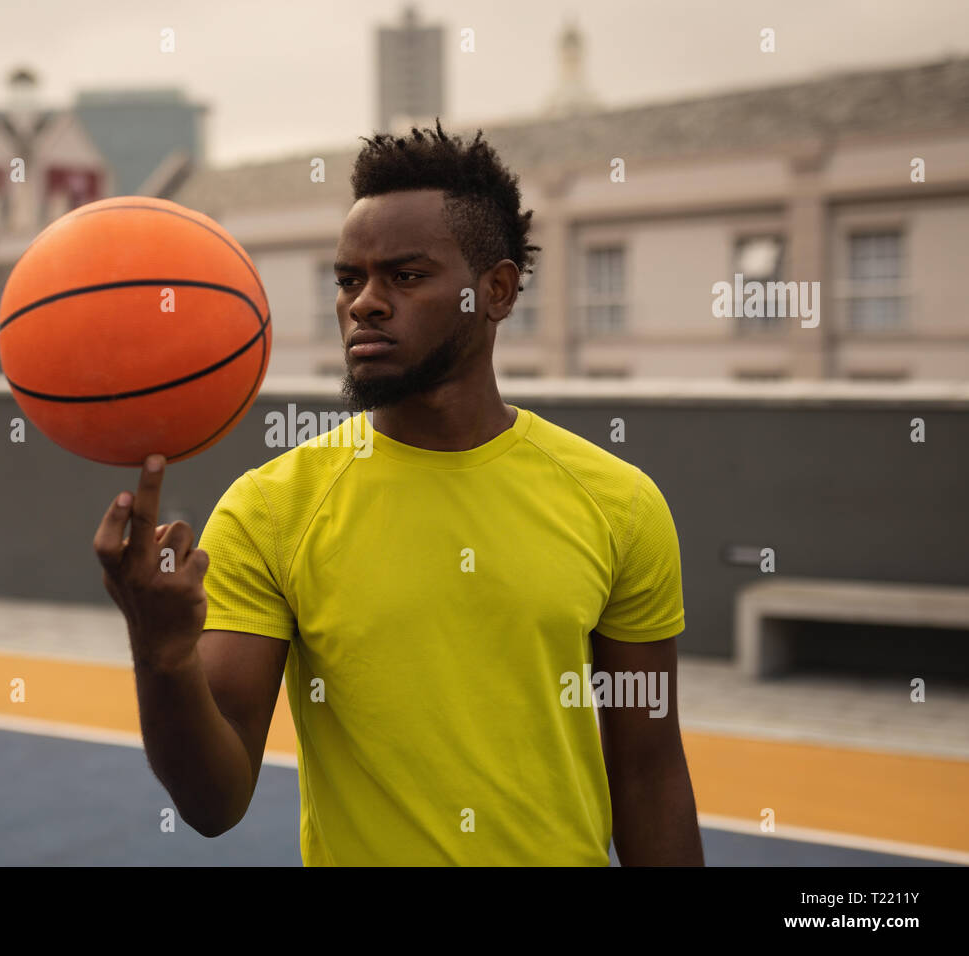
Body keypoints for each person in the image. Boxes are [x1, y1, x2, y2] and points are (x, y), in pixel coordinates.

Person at [94, 119, 703, 866]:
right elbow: (213, 805)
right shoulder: (271, 509)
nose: (364, 304)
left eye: (405, 277)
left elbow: (648, 771)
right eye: (350, 280)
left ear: (498, 291)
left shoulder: (619, 503)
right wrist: (162, 656)